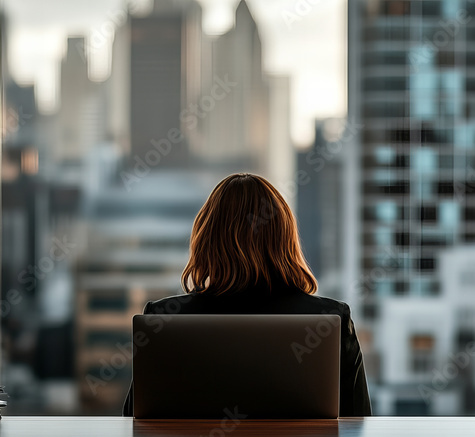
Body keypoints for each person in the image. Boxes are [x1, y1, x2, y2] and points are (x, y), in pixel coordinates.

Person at [121, 172, 372, 417]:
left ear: (206, 238)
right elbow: (357, 423)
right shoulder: (331, 320)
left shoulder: (164, 319)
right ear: (285, 238)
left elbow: (134, 423)